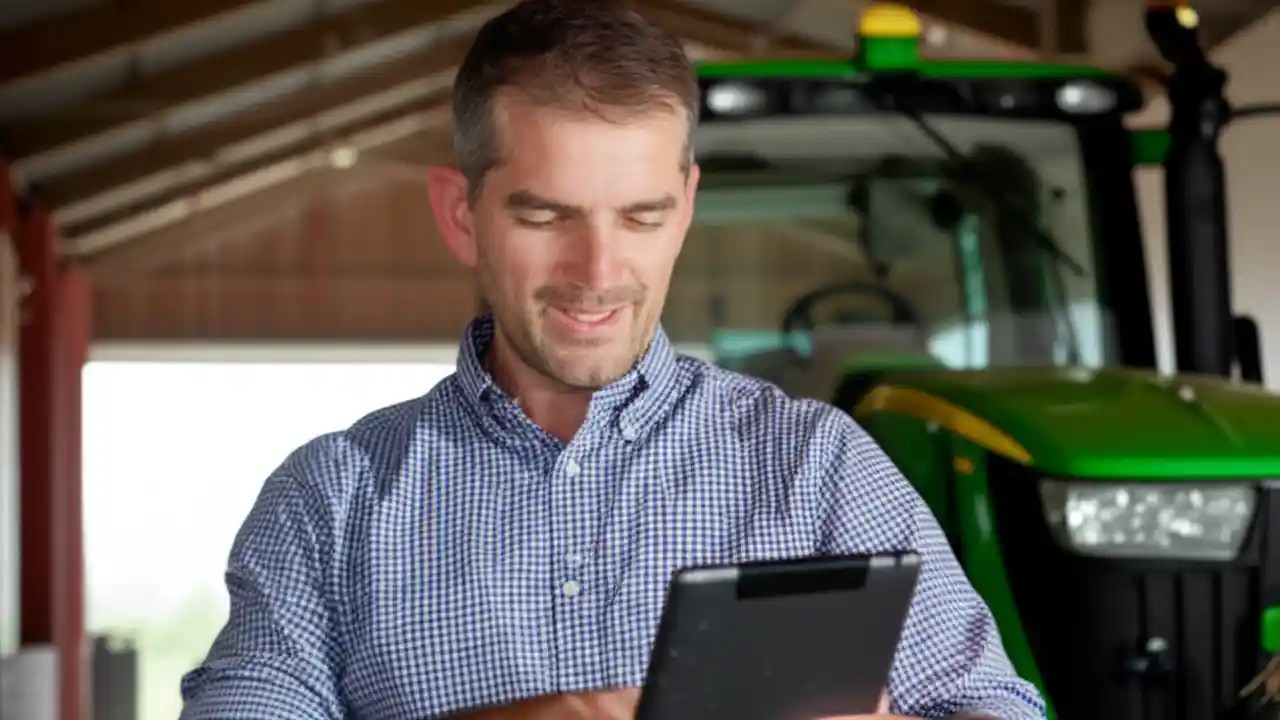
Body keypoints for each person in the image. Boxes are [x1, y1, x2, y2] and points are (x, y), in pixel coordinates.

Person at [178, 1, 1047, 718]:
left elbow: (997, 708)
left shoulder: (819, 467)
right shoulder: (330, 504)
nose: (597, 274)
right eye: (547, 216)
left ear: (684, 206)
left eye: (639, 216)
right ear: (460, 214)